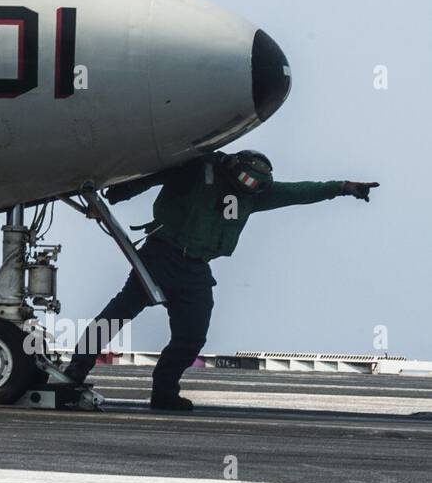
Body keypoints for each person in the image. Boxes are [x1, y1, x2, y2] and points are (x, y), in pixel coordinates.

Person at [63, 150, 378, 411]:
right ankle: (76, 370)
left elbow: (300, 191)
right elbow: (157, 171)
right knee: (118, 314)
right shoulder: (198, 168)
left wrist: (343, 187)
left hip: (196, 269)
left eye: (255, 184)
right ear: (232, 168)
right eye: (246, 179)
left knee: (192, 336)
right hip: (161, 255)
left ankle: (164, 393)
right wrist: (121, 192)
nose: (248, 186)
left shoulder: (256, 194)